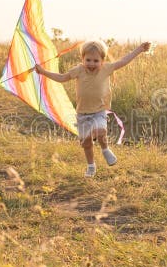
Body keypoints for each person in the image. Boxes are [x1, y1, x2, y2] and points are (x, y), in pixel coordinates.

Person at [35, 39, 151, 177]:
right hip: (82, 114)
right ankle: (91, 166)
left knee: (100, 132)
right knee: (86, 143)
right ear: (82, 59)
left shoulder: (106, 69)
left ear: (102, 60)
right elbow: (62, 77)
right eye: (88, 60)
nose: (91, 64)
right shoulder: (78, 70)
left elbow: (123, 61)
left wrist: (139, 49)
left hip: (99, 111)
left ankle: (105, 149)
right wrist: (43, 72)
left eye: (95, 61)